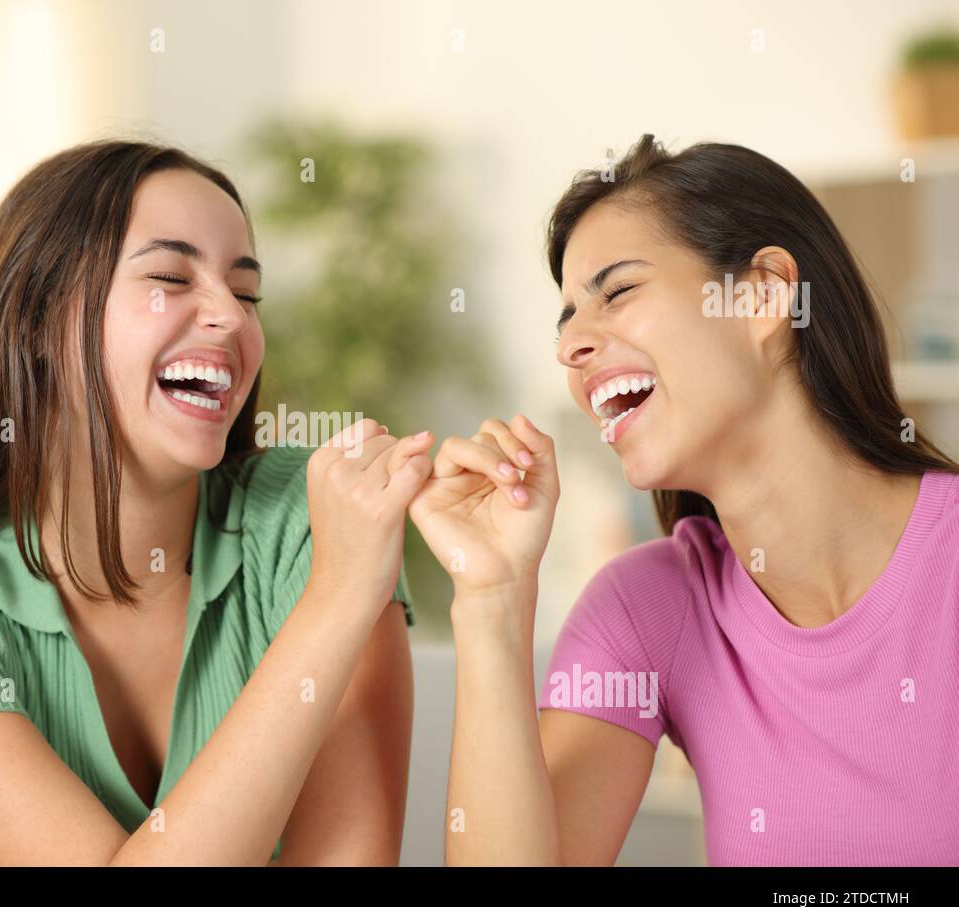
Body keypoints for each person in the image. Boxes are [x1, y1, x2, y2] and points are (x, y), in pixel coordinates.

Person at [0, 141, 433, 865]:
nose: (231, 320)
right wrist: (334, 603)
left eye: (246, 293)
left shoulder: (311, 521)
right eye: (170, 278)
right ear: (38, 323)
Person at [410, 134, 959, 865]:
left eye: (618, 291)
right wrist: (491, 597)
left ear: (763, 294)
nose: (570, 344)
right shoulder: (648, 609)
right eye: (566, 318)